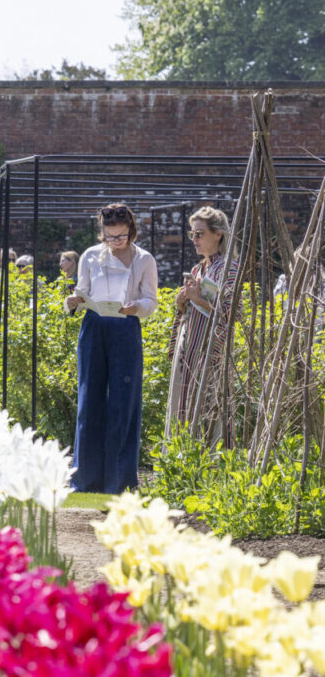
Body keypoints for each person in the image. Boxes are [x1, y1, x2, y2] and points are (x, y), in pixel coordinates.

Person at [64, 203, 158, 493]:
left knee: (123, 401)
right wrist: (73, 301)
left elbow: (151, 301)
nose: (116, 243)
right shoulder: (91, 256)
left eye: (121, 237)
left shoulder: (144, 259)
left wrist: (136, 307)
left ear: (131, 231)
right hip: (94, 325)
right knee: (89, 398)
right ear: (102, 232)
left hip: (125, 327)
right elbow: (82, 290)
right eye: (110, 237)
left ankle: (120, 480)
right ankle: (85, 478)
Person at [166, 206, 232, 442]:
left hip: (208, 351)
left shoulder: (228, 269)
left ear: (218, 234)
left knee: (206, 404)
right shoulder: (197, 269)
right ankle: (181, 462)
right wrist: (182, 302)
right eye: (192, 234)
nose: (194, 239)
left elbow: (231, 315)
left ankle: (208, 466)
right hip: (189, 348)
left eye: (200, 233)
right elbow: (186, 310)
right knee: (182, 404)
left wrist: (197, 299)